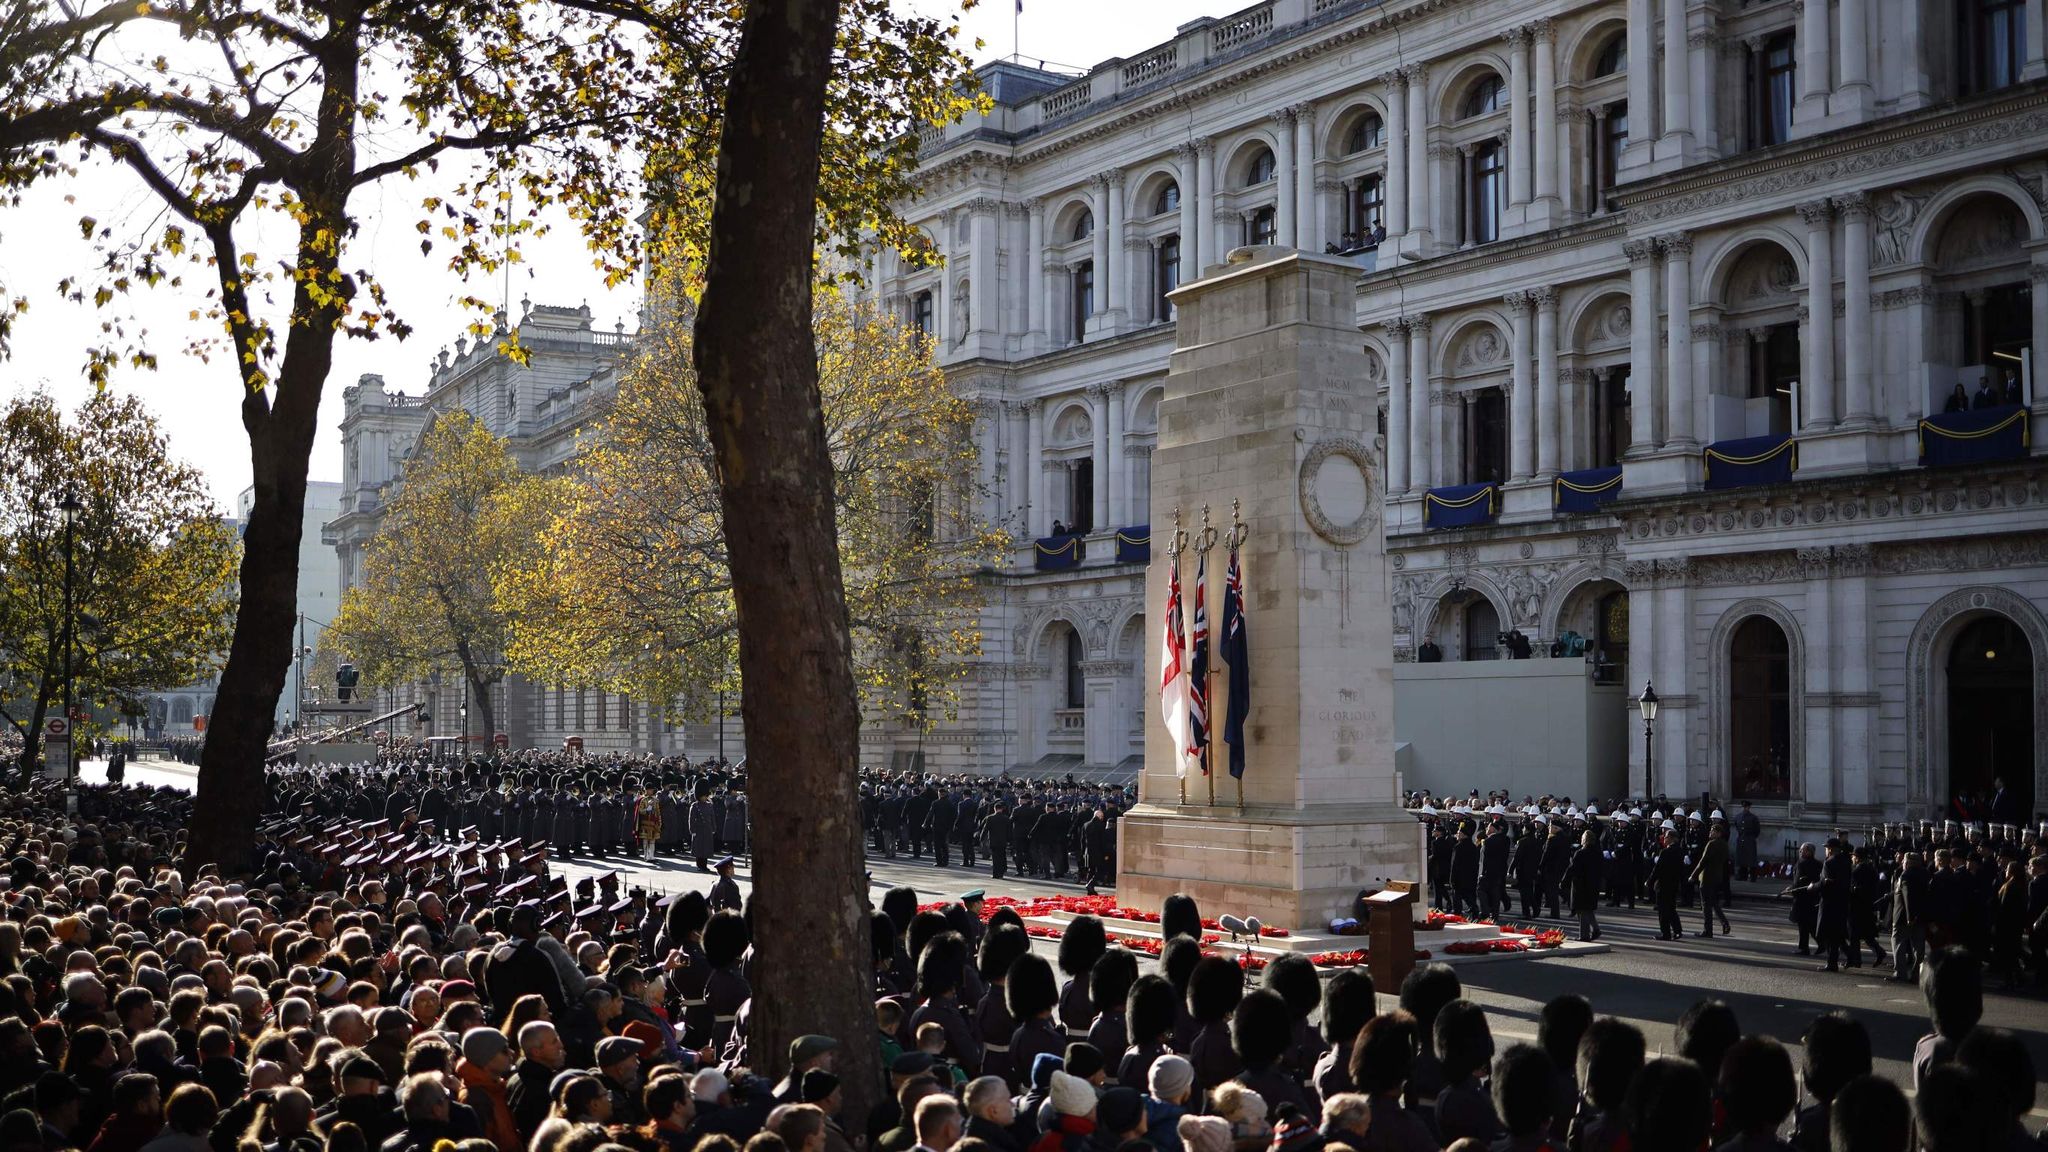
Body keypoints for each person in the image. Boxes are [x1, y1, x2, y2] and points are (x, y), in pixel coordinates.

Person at [1692, 823, 1732, 938]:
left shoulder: (1711, 844)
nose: (1710, 832)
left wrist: (1693, 875)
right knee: (1713, 902)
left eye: (1713, 831)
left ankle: (1707, 930)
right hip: (1717, 876)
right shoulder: (1724, 845)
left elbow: (1703, 862)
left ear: (1718, 833)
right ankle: (1724, 923)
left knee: (1706, 905)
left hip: (1706, 877)